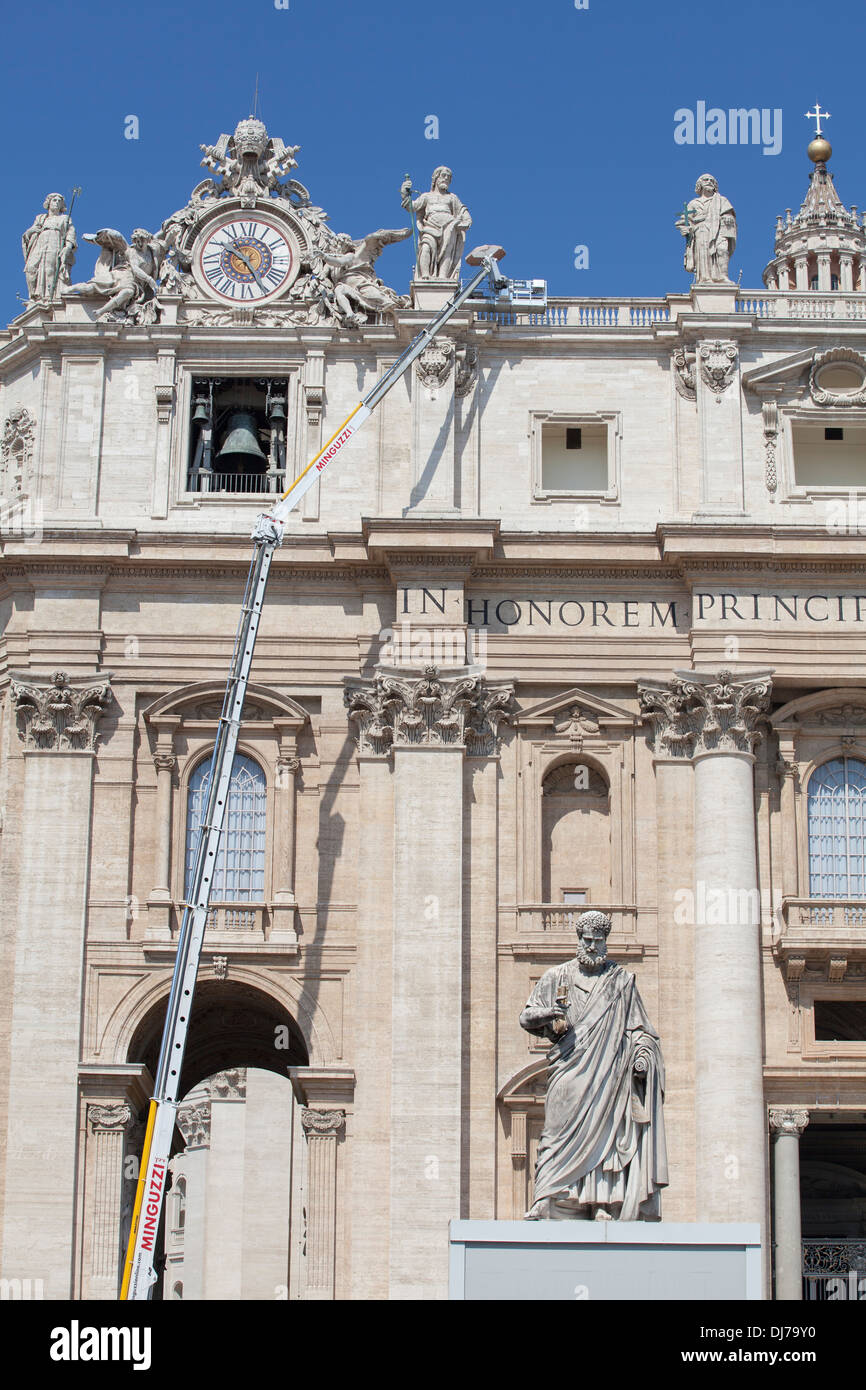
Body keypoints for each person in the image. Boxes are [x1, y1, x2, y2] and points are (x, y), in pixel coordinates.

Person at [519, 910, 668, 1220]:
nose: (591, 946)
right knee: (555, 1132)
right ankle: (545, 1196)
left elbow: (641, 1030)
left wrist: (642, 1057)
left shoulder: (622, 982)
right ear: (579, 940)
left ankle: (601, 1201)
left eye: (598, 941)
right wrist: (549, 1015)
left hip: (608, 1074)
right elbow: (527, 1017)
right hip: (568, 1070)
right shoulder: (557, 977)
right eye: (587, 940)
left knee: (605, 1136)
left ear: (605, 942)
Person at [401, 167, 471, 280]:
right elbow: (412, 207)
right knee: (426, 247)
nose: (446, 179)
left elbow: (462, 210)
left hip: (449, 226)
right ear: (436, 178)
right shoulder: (426, 196)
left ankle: (443, 278)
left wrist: (466, 219)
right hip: (430, 226)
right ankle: (425, 276)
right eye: (443, 176)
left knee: (447, 252)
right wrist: (405, 193)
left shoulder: (452, 197)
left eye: (449, 177)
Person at [678, 173, 737, 284]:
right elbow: (685, 220)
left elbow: (729, 214)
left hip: (719, 228)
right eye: (706, 180)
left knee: (722, 249)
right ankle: (705, 279)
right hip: (701, 229)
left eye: (712, 180)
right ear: (700, 184)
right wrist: (686, 228)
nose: (709, 182)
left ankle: (722, 276)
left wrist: (728, 217)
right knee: (703, 254)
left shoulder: (721, 200)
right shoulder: (694, 203)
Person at [22, 193, 77, 301]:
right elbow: (28, 234)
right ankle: (33, 295)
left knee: (50, 269)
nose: (56, 203)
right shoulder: (41, 218)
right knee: (30, 269)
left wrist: (67, 247)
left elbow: (71, 233)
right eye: (54, 200)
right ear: (49, 203)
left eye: (59, 201)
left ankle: (48, 297)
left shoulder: (65, 218)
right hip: (39, 243)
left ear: (62, 205)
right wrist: (32, 231)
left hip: (55, 241)